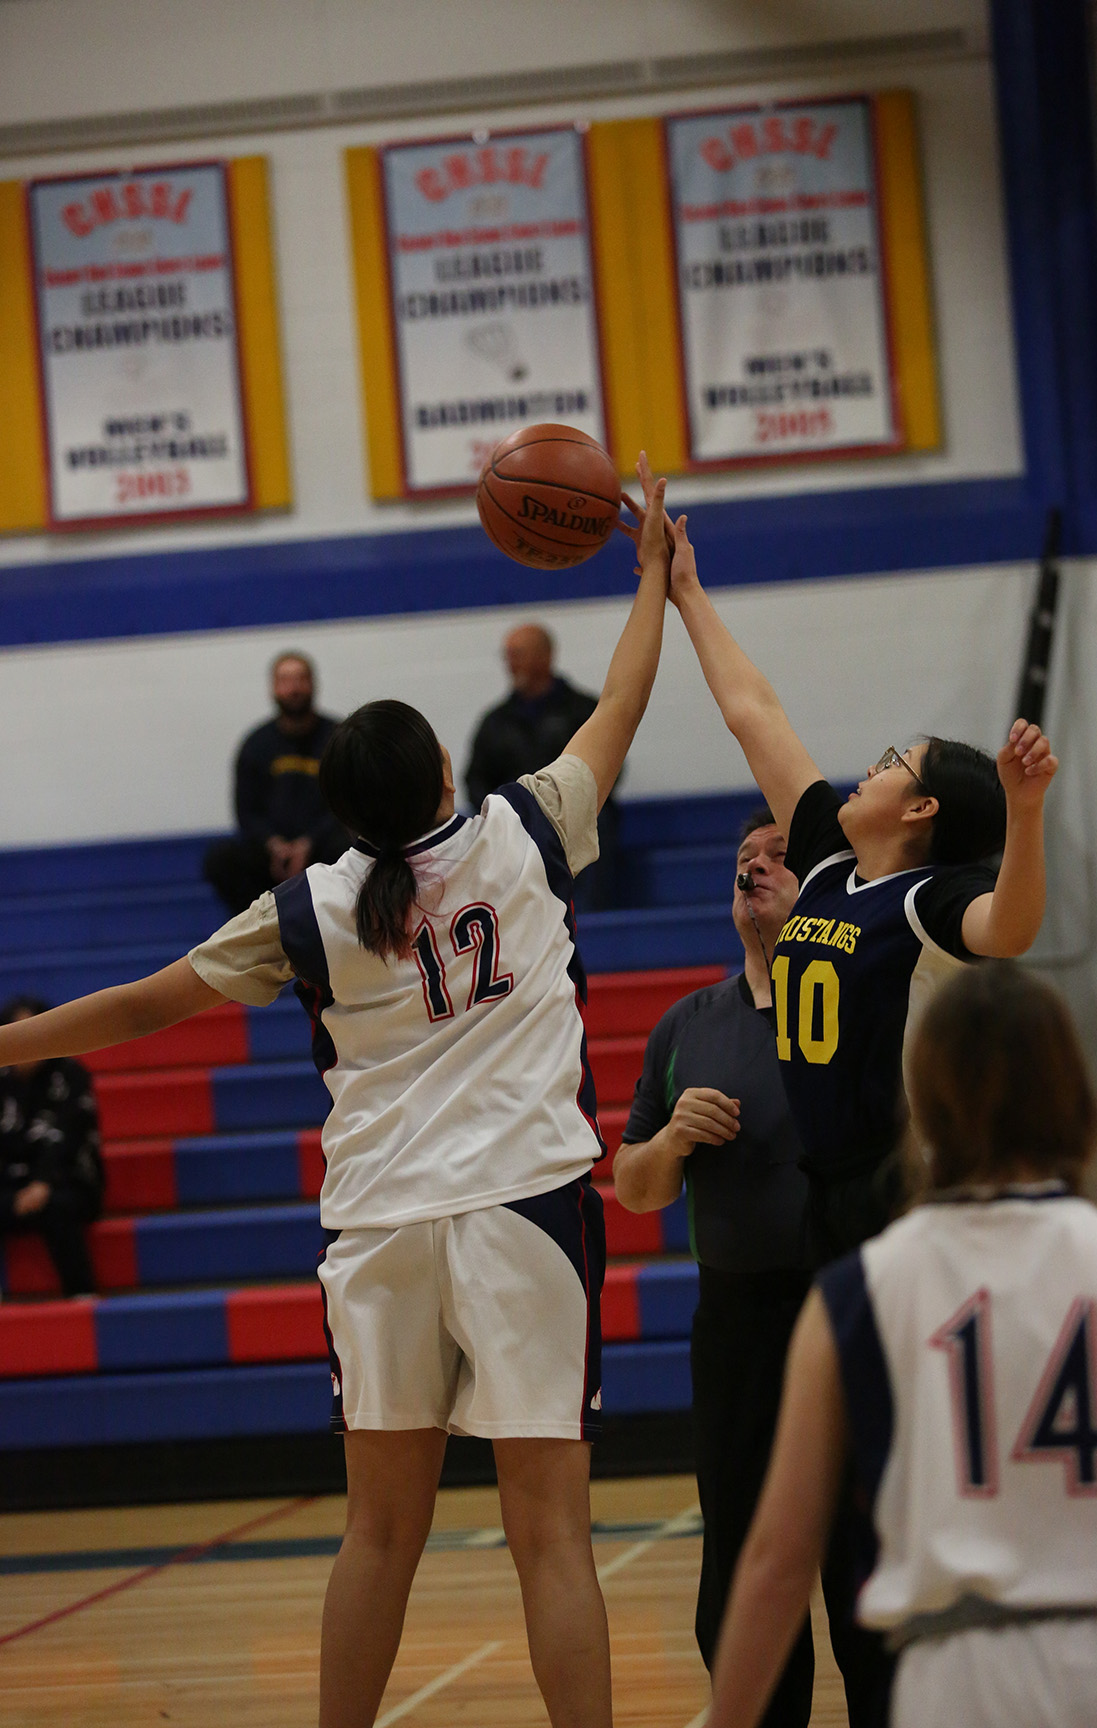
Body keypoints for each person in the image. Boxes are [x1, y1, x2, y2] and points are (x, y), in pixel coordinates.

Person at [0, 456, 674, 1728]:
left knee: (376, 1535)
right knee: (551, 1538)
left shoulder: (304, 909)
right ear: (443, 773)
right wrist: (651, 575)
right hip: (528, 1209)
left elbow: (140, 1007)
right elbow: (623, 704)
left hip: (377, 1225)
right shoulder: (528, 829)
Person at [707, 962, 1097, 1728]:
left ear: (923, 1104)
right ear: (1072, 1096)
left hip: (954, 1671)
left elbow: (779, 1559)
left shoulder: (859, 1291)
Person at [666, 520, 1060, 1260]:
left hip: (911, 1183)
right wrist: (684, 588)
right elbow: (754, 714)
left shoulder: (930, 898)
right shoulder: (825, 860)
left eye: (893, 765)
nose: (872, 769)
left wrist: (1026, 810)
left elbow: (1010, 930)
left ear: (921, 808)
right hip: (828, 1183)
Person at [614, 808, 823, 1727]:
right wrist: (670, 1141)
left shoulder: (859, 1007)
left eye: (779, 857)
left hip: (841, 1305)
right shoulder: (685, 1026)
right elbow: (633, 1187)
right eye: (745, 857)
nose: (755, 868)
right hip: (734, 1323)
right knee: (738, 1559)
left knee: (861, 1551)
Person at [464, 623, 619, 908]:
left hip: (576, 821)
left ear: (545, 655)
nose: (510, 663)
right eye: (507, 655)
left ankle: (591, 918)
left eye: (518, 654)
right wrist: (506, 814)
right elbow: (475, 780)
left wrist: (565, 809)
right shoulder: (495, 722)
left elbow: (611, 765)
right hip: (515, 828)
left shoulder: (584, 711)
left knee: (602, 824)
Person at [203, 651, 349, 915]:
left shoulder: (339, 738)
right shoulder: (255, 744)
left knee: (352, 849)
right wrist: (273, 845)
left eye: (300, 679)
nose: (294, 689)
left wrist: (309, 842)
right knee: (220, 859)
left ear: (313, 684)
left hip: (325, 851)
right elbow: (246, 813)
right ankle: (262, 923)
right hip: (271, 857)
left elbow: (349, 803)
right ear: (273, 688)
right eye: (285, 681)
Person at [0, 995, 103, 1297]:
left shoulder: (70, 1074)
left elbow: (69, 1135)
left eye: (31, 1035)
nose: (24, 1046)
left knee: (57, 1208)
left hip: (66, 1180)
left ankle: (82, 1294)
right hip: (11, 1181)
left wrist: (43, 1182)